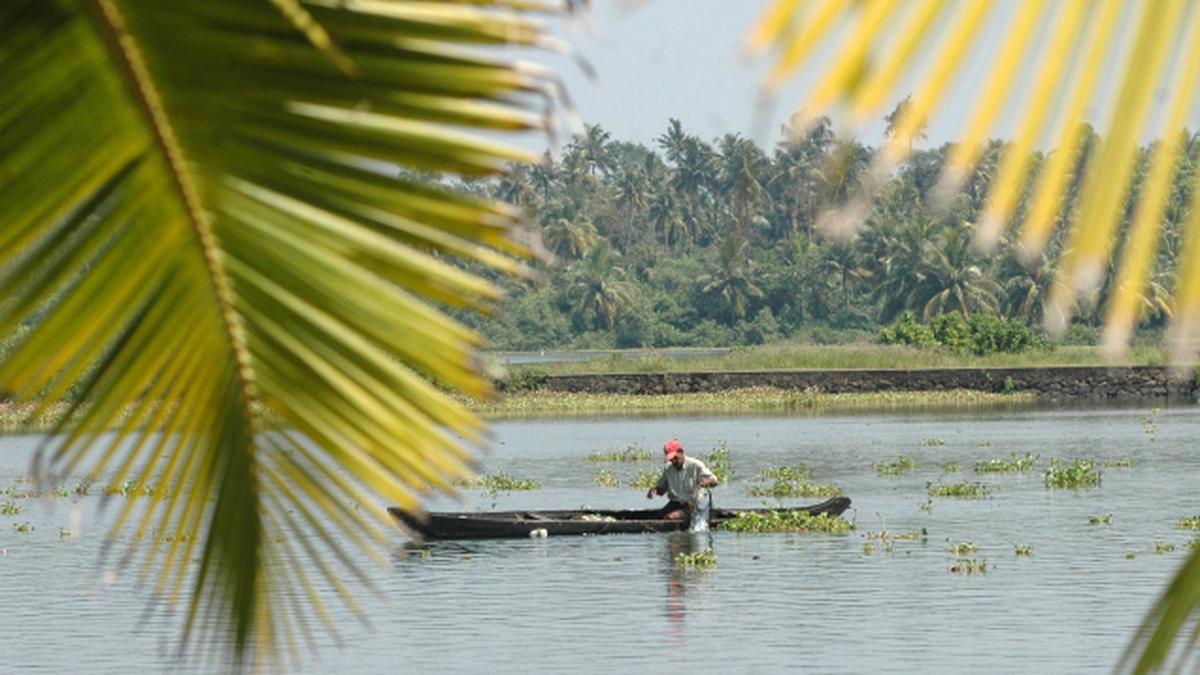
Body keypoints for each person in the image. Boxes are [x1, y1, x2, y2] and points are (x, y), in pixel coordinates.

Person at [645, 439, 719, 521]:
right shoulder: (668, 468)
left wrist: (706, 482)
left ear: (681, 452)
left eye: (675, 458)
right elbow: (661, 489)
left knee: (671, 518)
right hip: (675, 503)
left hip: (692, 505)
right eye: (671, 459)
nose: (673, 461)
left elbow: (714, 481)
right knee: (657, 518)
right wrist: (654, 491)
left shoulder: (695, 465)